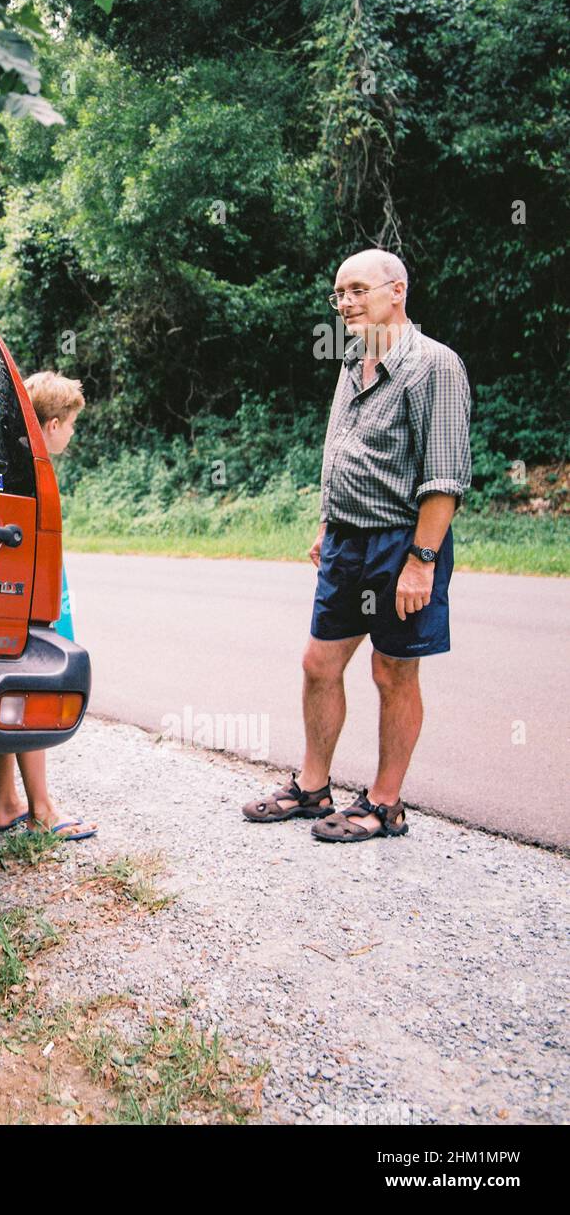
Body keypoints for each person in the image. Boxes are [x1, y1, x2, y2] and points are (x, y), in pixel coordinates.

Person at [242, 249, 472, 841]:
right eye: (339, 294)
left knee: (393, 673)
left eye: (358, 291)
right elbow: (339, 448)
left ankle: (384, 802)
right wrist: (327, 519)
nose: (345, 303)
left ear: (397, 291)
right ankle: (313, 788)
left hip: (402, 543)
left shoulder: (434, 367)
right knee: (319, 663)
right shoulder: (352, 361)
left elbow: (443, 478)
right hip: (346, 540)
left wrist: (421, 562)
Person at [0, 370, 97, 842]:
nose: (72, 434)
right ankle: (43, 809)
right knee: (32, 683)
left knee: (2, 683)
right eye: (71, 424)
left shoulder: (6, 462)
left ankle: (7, 802)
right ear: (51, 425)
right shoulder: (36, 472)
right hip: (33, 590)